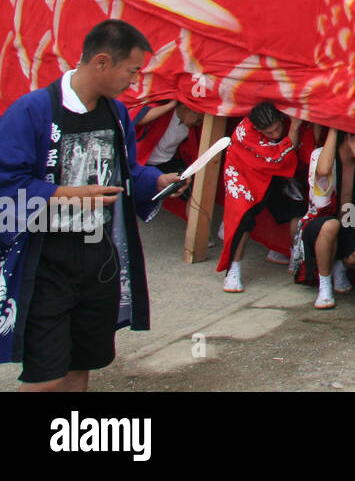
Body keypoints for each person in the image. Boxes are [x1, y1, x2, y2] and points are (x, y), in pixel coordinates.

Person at [0, 20, 182, 390]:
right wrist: (71, 194)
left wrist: (159, 181)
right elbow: (8, 184)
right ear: (102, 62)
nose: (133, 82)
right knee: (46, 376)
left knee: (80, 366)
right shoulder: (32, 111)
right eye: (131, 71)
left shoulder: (117, 114)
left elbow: (126, 171)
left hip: (97, 260)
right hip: (46, 261)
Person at [218, 102, 307, 293]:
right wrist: (295, 127)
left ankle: (290, 251)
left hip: (275, 174)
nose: (275, 134)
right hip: (244, 173)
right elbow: (281, 157)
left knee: (295, 204)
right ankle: (233, 270)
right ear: (257, 128)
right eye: (269, 133)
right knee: (243, 217)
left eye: (277, 129)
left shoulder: (282, 117)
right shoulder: (244, 132)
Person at [294, 129, 355, 308]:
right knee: (331, 225)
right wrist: (333, 127)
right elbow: (323, 171)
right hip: (319, 223)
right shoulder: (320, 155)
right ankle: (325, 287)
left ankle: (339, 265)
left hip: (347, 222)